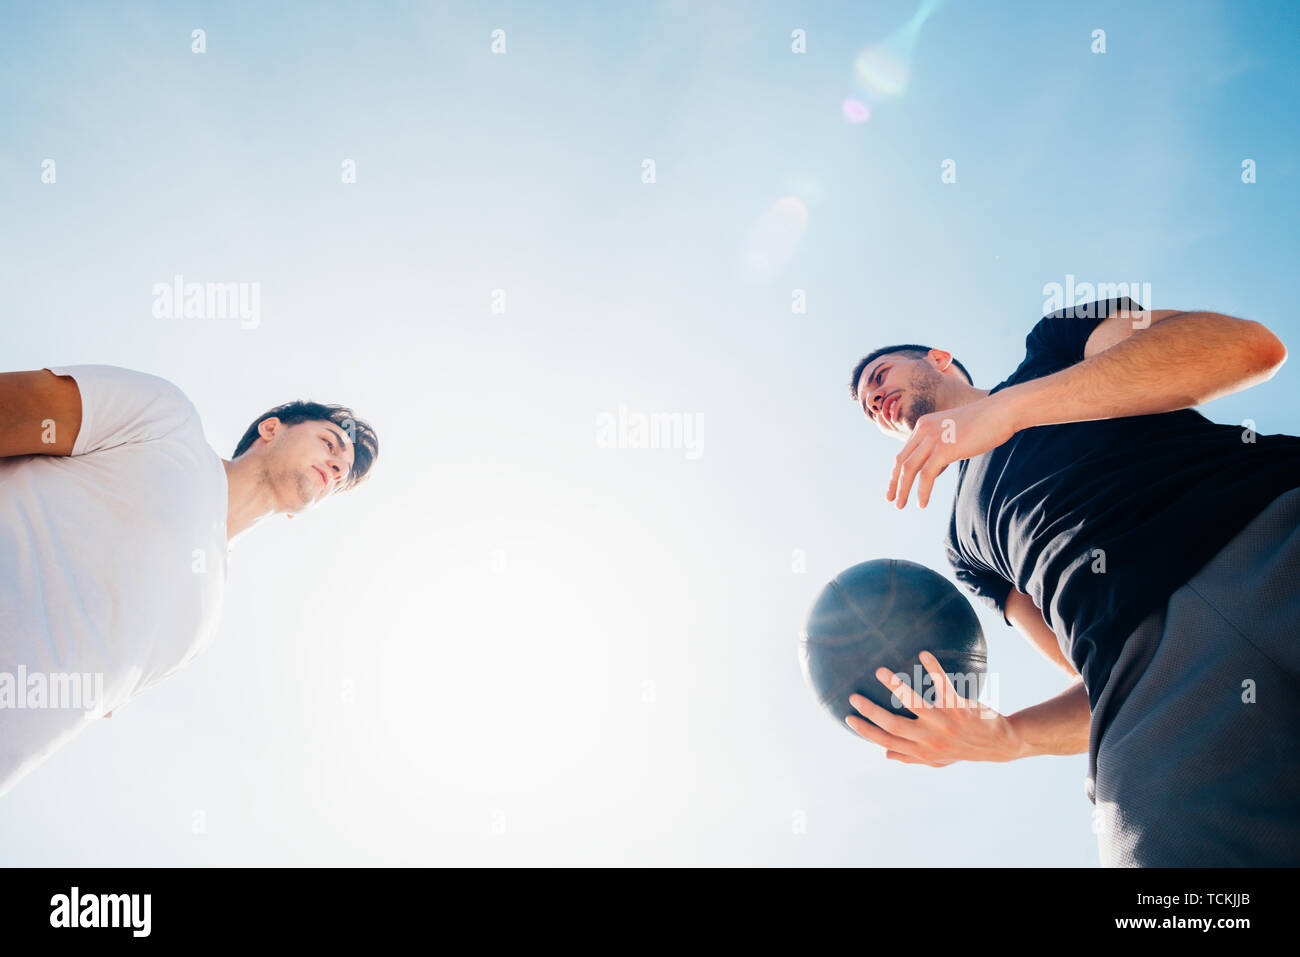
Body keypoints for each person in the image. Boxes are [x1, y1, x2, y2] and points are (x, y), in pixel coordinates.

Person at [843, 297, 1300, 866]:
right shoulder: (963, 546)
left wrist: (1014, 409)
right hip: (1153, 688)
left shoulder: (1055, 345)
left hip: (1275, 531)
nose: (876, 399)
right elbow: (1087, 683)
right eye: (868, 408)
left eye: (879, 377)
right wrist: (1011, 738)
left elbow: (1246, 348)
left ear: (940, 358)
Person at [0, 365, 378, 796]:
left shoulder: (202, 625)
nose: (334, 464)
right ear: (271, 429)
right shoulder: (166, 420)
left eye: (341, 471)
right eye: (329, 442)